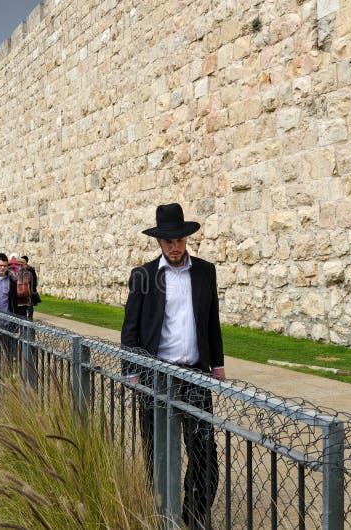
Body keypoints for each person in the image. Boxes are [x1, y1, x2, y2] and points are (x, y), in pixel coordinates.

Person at [121, 202, 224, 529]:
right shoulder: (144, 276)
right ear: (159, 243)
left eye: (179, 240)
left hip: (194, 375)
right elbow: (130, 329)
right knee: (158, 454)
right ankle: (164, 515)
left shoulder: (205, 272)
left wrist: (217, 365)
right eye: (168, 242)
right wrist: (132, 370)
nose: (175, 246)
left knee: (205, 456)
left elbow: (212, 321)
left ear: (185, 239)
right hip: (155, 376)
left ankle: (191, 516)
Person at [7, 253, 31, 318]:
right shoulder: (26, 271)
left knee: (13, 319)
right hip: (24, 300)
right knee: (23, 318)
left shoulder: (8, 271)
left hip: (13, 300)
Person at [21, 255, 41, 321]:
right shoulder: (29, 269)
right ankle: (28, 317)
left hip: (28, 289)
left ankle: (29, 318)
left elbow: (32, 280)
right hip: (28, 289)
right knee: (27, 305)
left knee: (28, 305)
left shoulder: (28, 270)